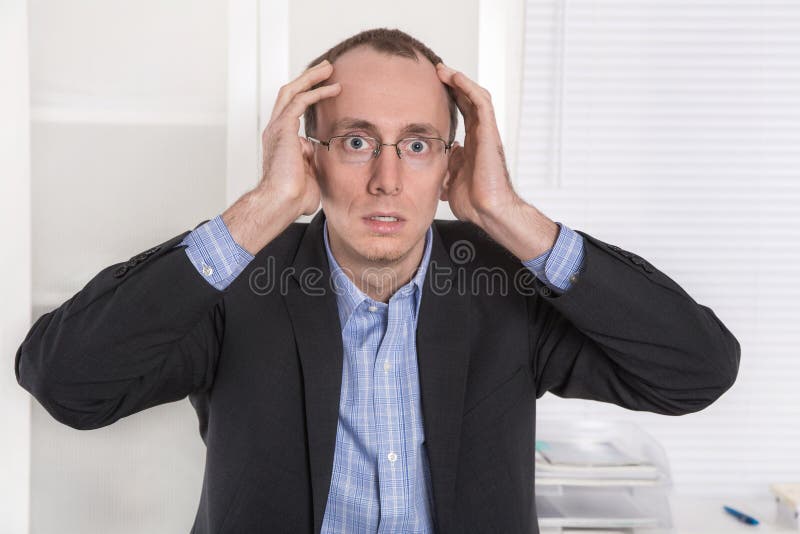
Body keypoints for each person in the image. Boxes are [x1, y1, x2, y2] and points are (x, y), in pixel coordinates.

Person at [15, 28, 740, 534]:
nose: (387, 180)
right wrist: (261, 210)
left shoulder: (503, 285)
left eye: (418, 145)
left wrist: (508, 213)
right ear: (311, 155)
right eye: (357, 141)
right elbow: (70, 384)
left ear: (451, 164)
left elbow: (695, 371)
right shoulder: (241, 282)